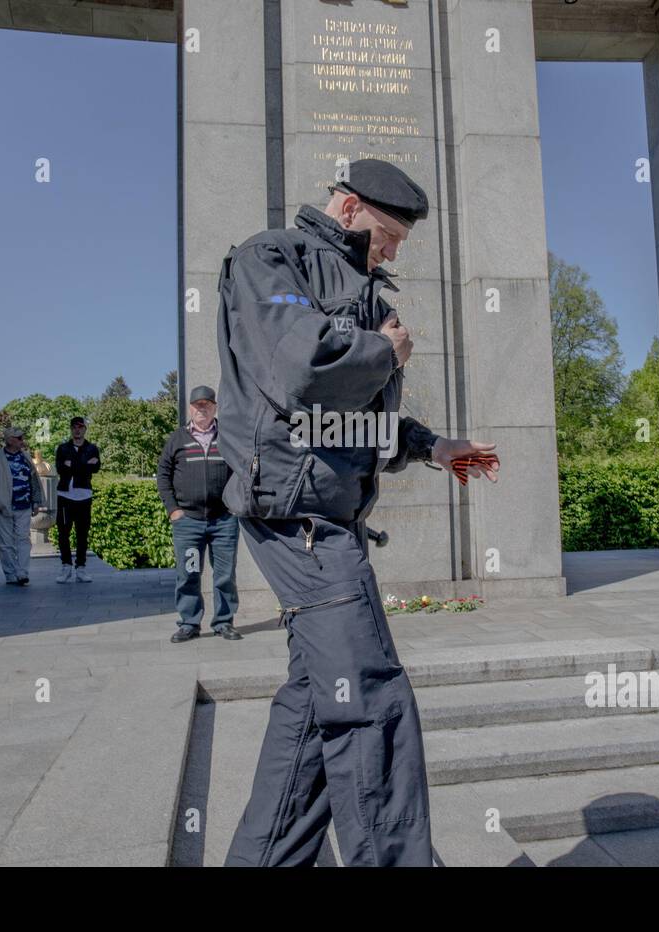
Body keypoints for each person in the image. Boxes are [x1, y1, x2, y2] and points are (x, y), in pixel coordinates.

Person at [216, 158, 500, 867]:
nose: (396, 250)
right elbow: (302, 369)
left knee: (317, 701)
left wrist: (435, 447)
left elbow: (349, 420)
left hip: (326, 513)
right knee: (370, 697)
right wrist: (384, 349)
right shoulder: (269, 259)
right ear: (347, 208)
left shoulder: (366, 292)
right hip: (296, 514)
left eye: (403, 239)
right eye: (389, 233)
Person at [157, 386, 241, 643]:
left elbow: (242, 470)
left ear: (215, 407)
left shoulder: (227, 437)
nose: (201, 408)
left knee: (225, 575)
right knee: (189, 573)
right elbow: (163, 476)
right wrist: (174, 510)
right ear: (190, 408)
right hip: (189, 523)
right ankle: (189, 623)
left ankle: (224, 623)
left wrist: (236, 505)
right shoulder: (177, 439)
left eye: (206, 404)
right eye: (197, 405)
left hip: (224, 521)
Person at [0, 426, 45, 587]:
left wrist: (36, 501)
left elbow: (34, 480)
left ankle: (22, 573)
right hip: (4, 507)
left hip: (23, 506)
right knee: (5, 543)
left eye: (22, 437)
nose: (22, 441)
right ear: (9, 440)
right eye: (19, 438)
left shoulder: (25, 457)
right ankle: (11, 574)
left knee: (23, 540)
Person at [55, 416, 101, 583]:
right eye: (74, 427)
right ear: (71, 429)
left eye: (80, 427)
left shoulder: (92, 448)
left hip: (84, 496)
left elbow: (95, 468)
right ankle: (66, 566)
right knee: (63, 533)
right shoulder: (62, 448)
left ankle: (81, 567)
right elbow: (61, 468)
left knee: (82, 534)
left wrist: (73, 465)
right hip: (65, 496)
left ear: (85, 429)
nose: (77, 430)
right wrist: (84, 464)